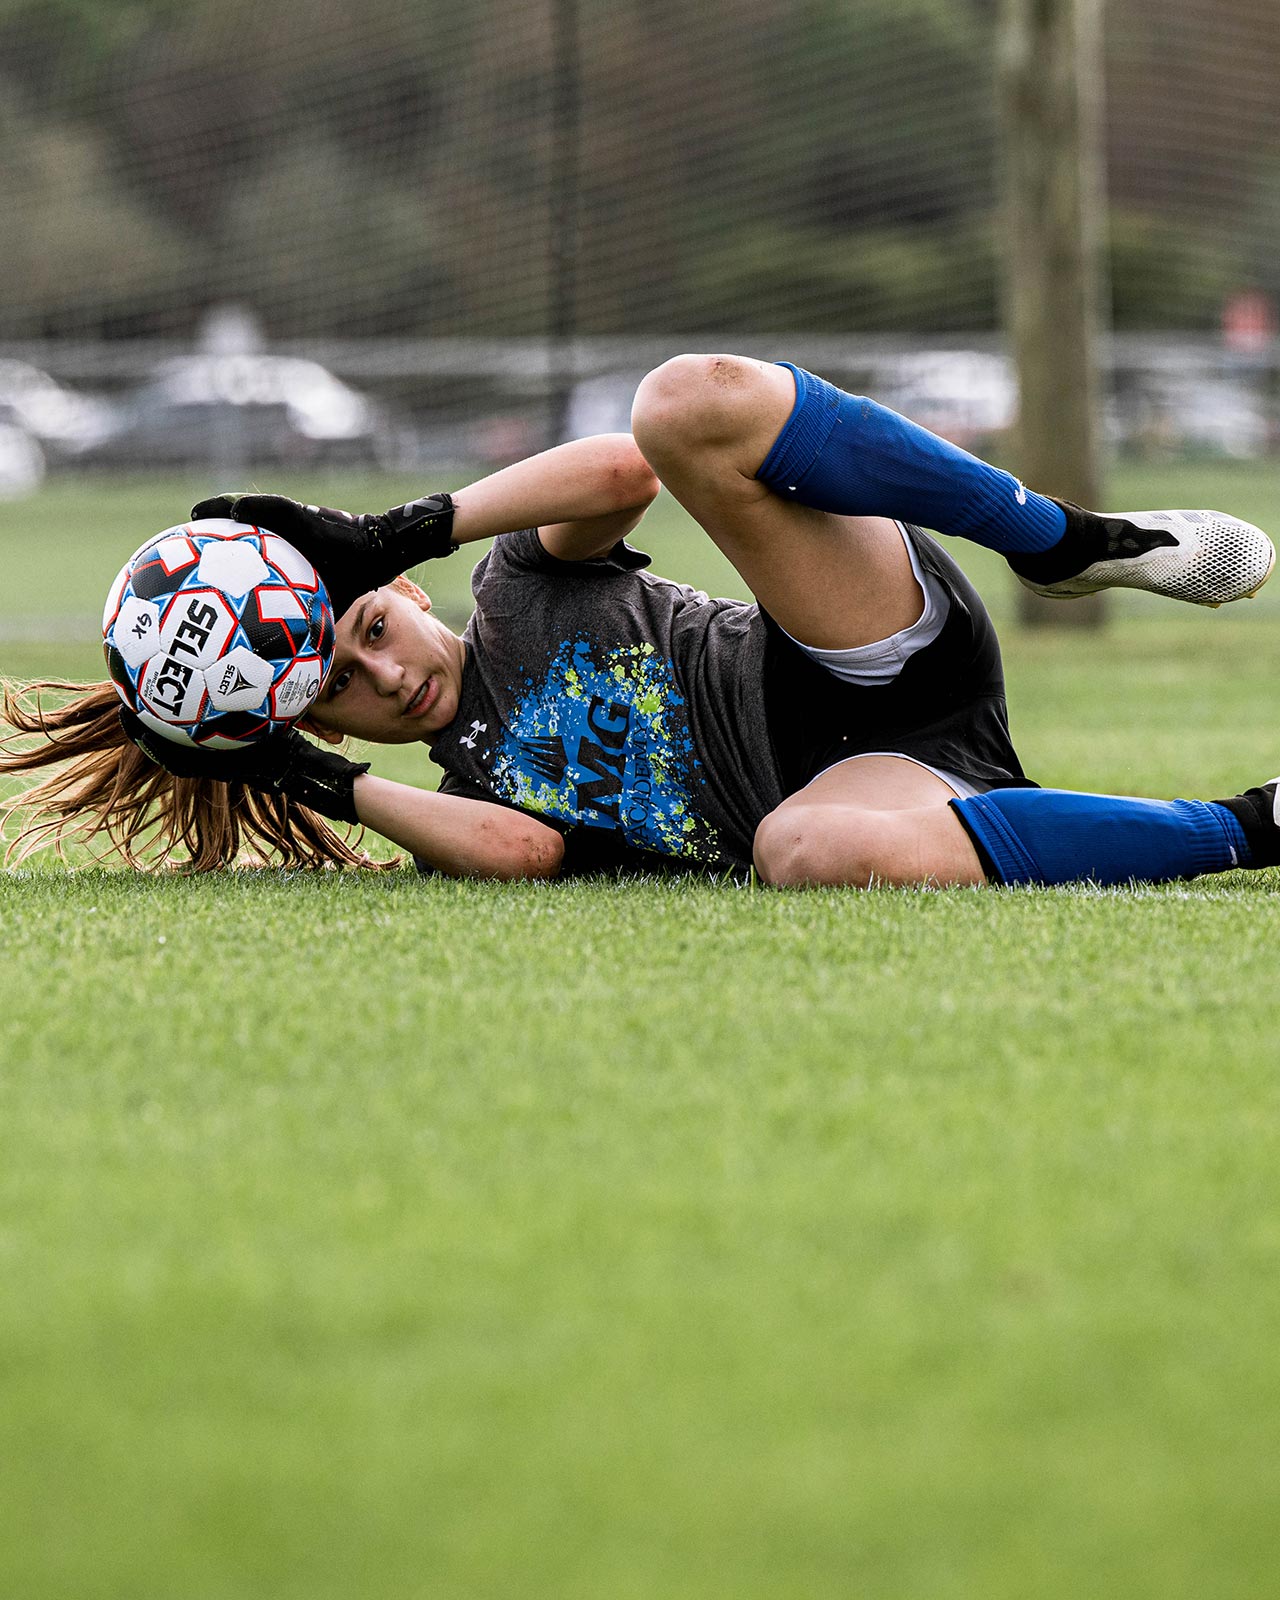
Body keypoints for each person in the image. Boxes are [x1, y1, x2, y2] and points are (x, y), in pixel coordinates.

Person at [4, 353, 1279, 888]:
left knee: (681, 403)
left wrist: (398, 529)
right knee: (798, 853)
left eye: (370, 631)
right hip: (873, 780)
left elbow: (621, 472)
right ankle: (1251, 824)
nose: (381, 678)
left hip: (847, 638)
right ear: (311, 721)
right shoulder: (460, 794)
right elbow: (520, 853)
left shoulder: (513, 584)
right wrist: (297, 774)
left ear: (399, 594)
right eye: (334, 687)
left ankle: (1059, 545)